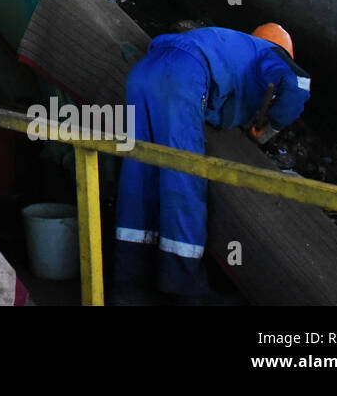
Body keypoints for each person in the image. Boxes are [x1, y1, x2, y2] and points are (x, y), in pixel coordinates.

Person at [113, 24, 312, 302]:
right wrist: (271, 127)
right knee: (184, 180)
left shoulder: (229, 46)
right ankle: (185, 289)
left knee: (140, 176)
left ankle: (129, 289)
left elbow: (218, 105)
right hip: (182, 77)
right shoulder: (270, 53)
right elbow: (298, 84)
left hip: (144, 74)